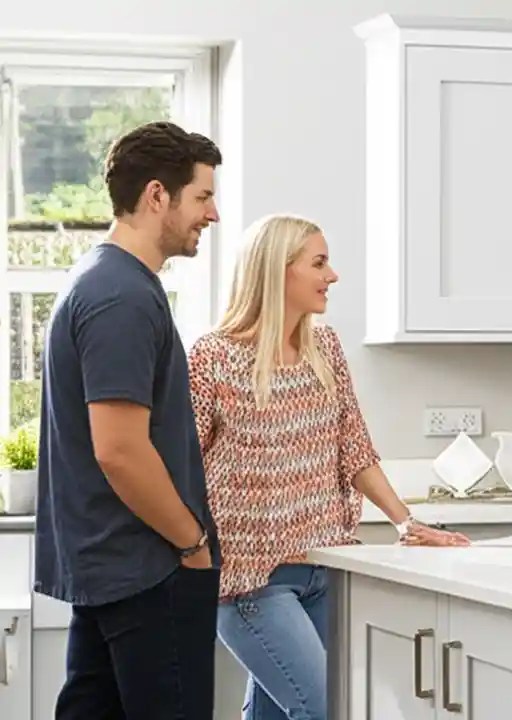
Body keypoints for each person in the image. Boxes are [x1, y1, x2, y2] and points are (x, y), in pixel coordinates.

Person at [187, 212, 470, 720]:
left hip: (325, 570)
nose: (332, 276)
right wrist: (194, 549)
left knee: (280, 712)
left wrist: (405, 522)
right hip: (251, 583)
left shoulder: (326, 349)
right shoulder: (213, 358)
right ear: (278, 271)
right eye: (319, 263)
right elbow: (181, 465)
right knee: (324, 708)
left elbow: (354, 448)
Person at [33, 121, 223, 719]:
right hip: (148, 567)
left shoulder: (99, 279)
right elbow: (119, 449)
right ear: (157, 196)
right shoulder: (123, 296)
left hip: (112, 564)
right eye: (202, 196)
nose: (212, 214)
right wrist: (191, 542)